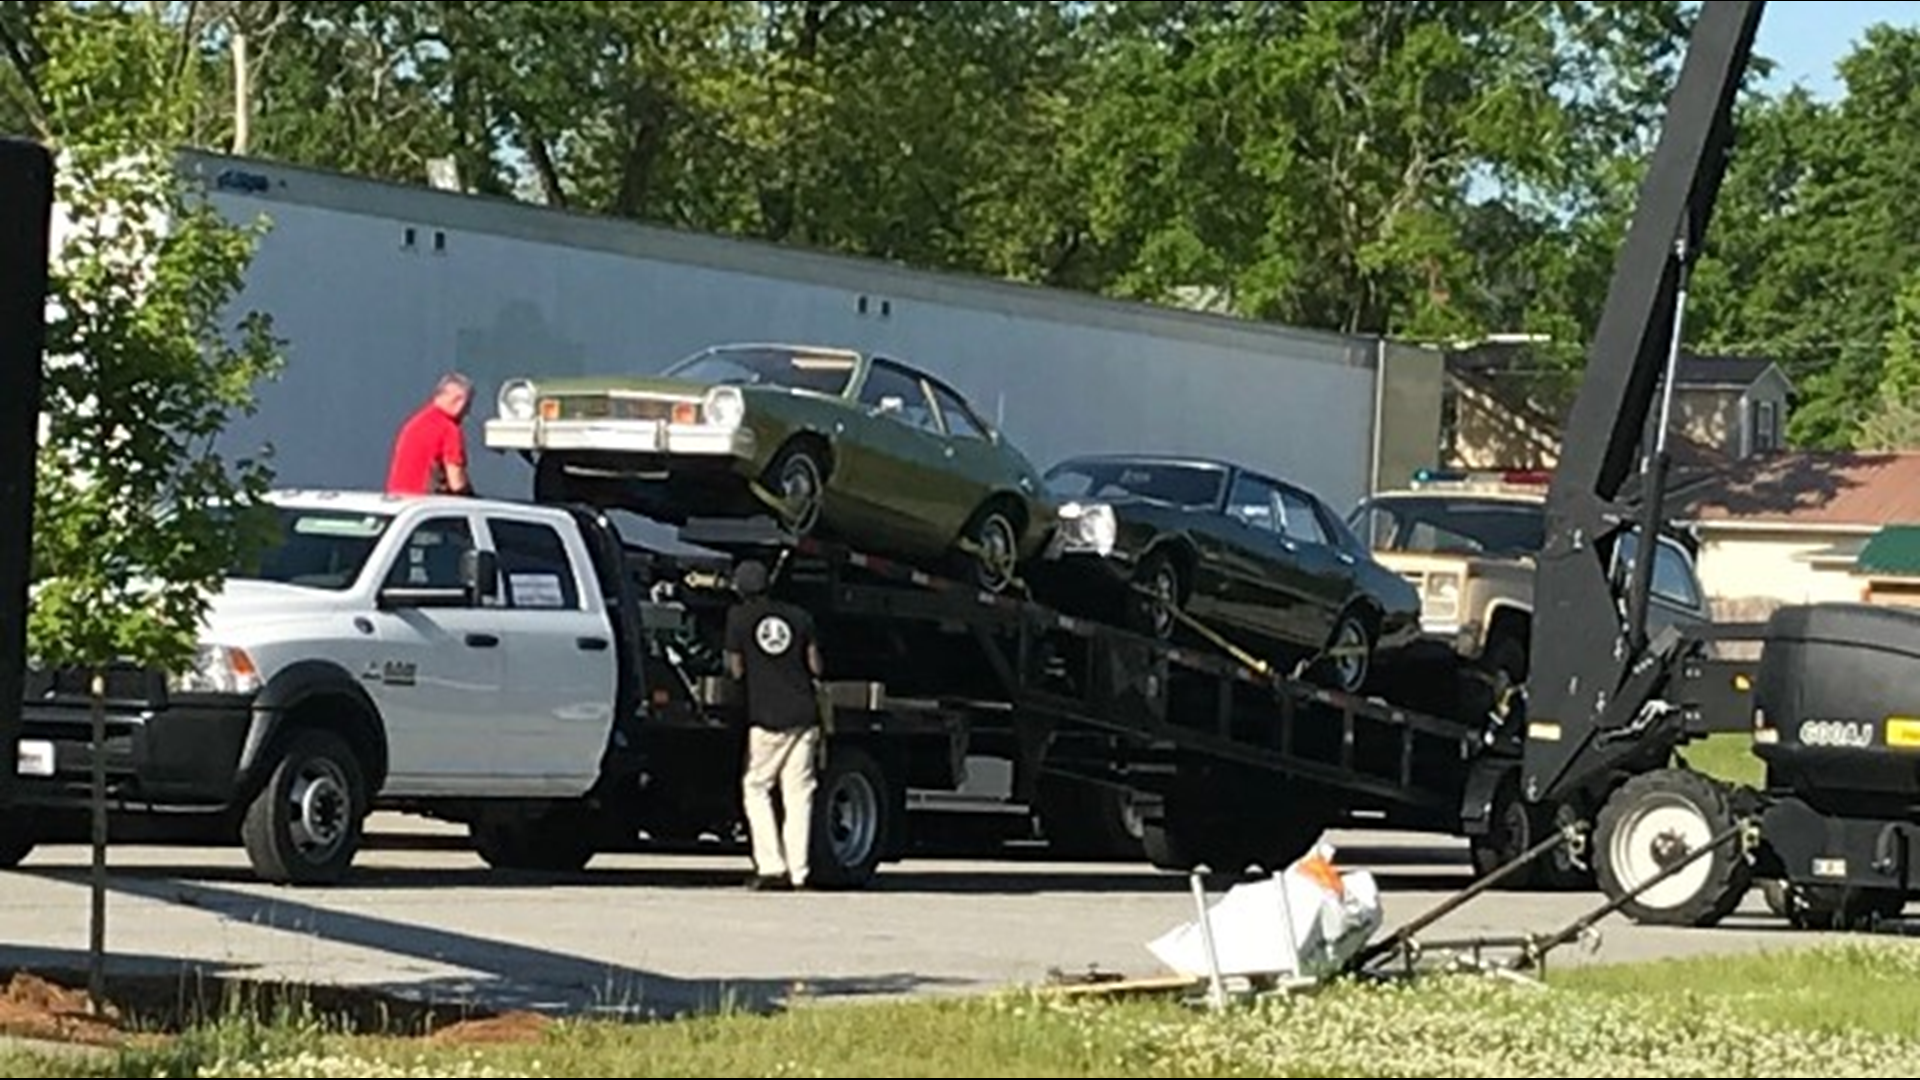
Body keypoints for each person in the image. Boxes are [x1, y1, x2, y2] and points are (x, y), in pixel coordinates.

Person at [725, 558, 825, 891]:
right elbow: (815, 666)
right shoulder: (800, 616)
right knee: (799, 793)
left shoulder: (738, 618)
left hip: (767, 717)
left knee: (756, 787)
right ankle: (799, 871)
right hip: (804, 714)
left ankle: (771, 867)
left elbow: (736, 668)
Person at [386, 372, 474, 496]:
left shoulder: (415, 424)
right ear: (460, 401)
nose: (466, 411)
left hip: (396, 499)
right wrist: (472, 495)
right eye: (468, 405)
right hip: (428, 502)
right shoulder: (448, 429)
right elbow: (457, 483)